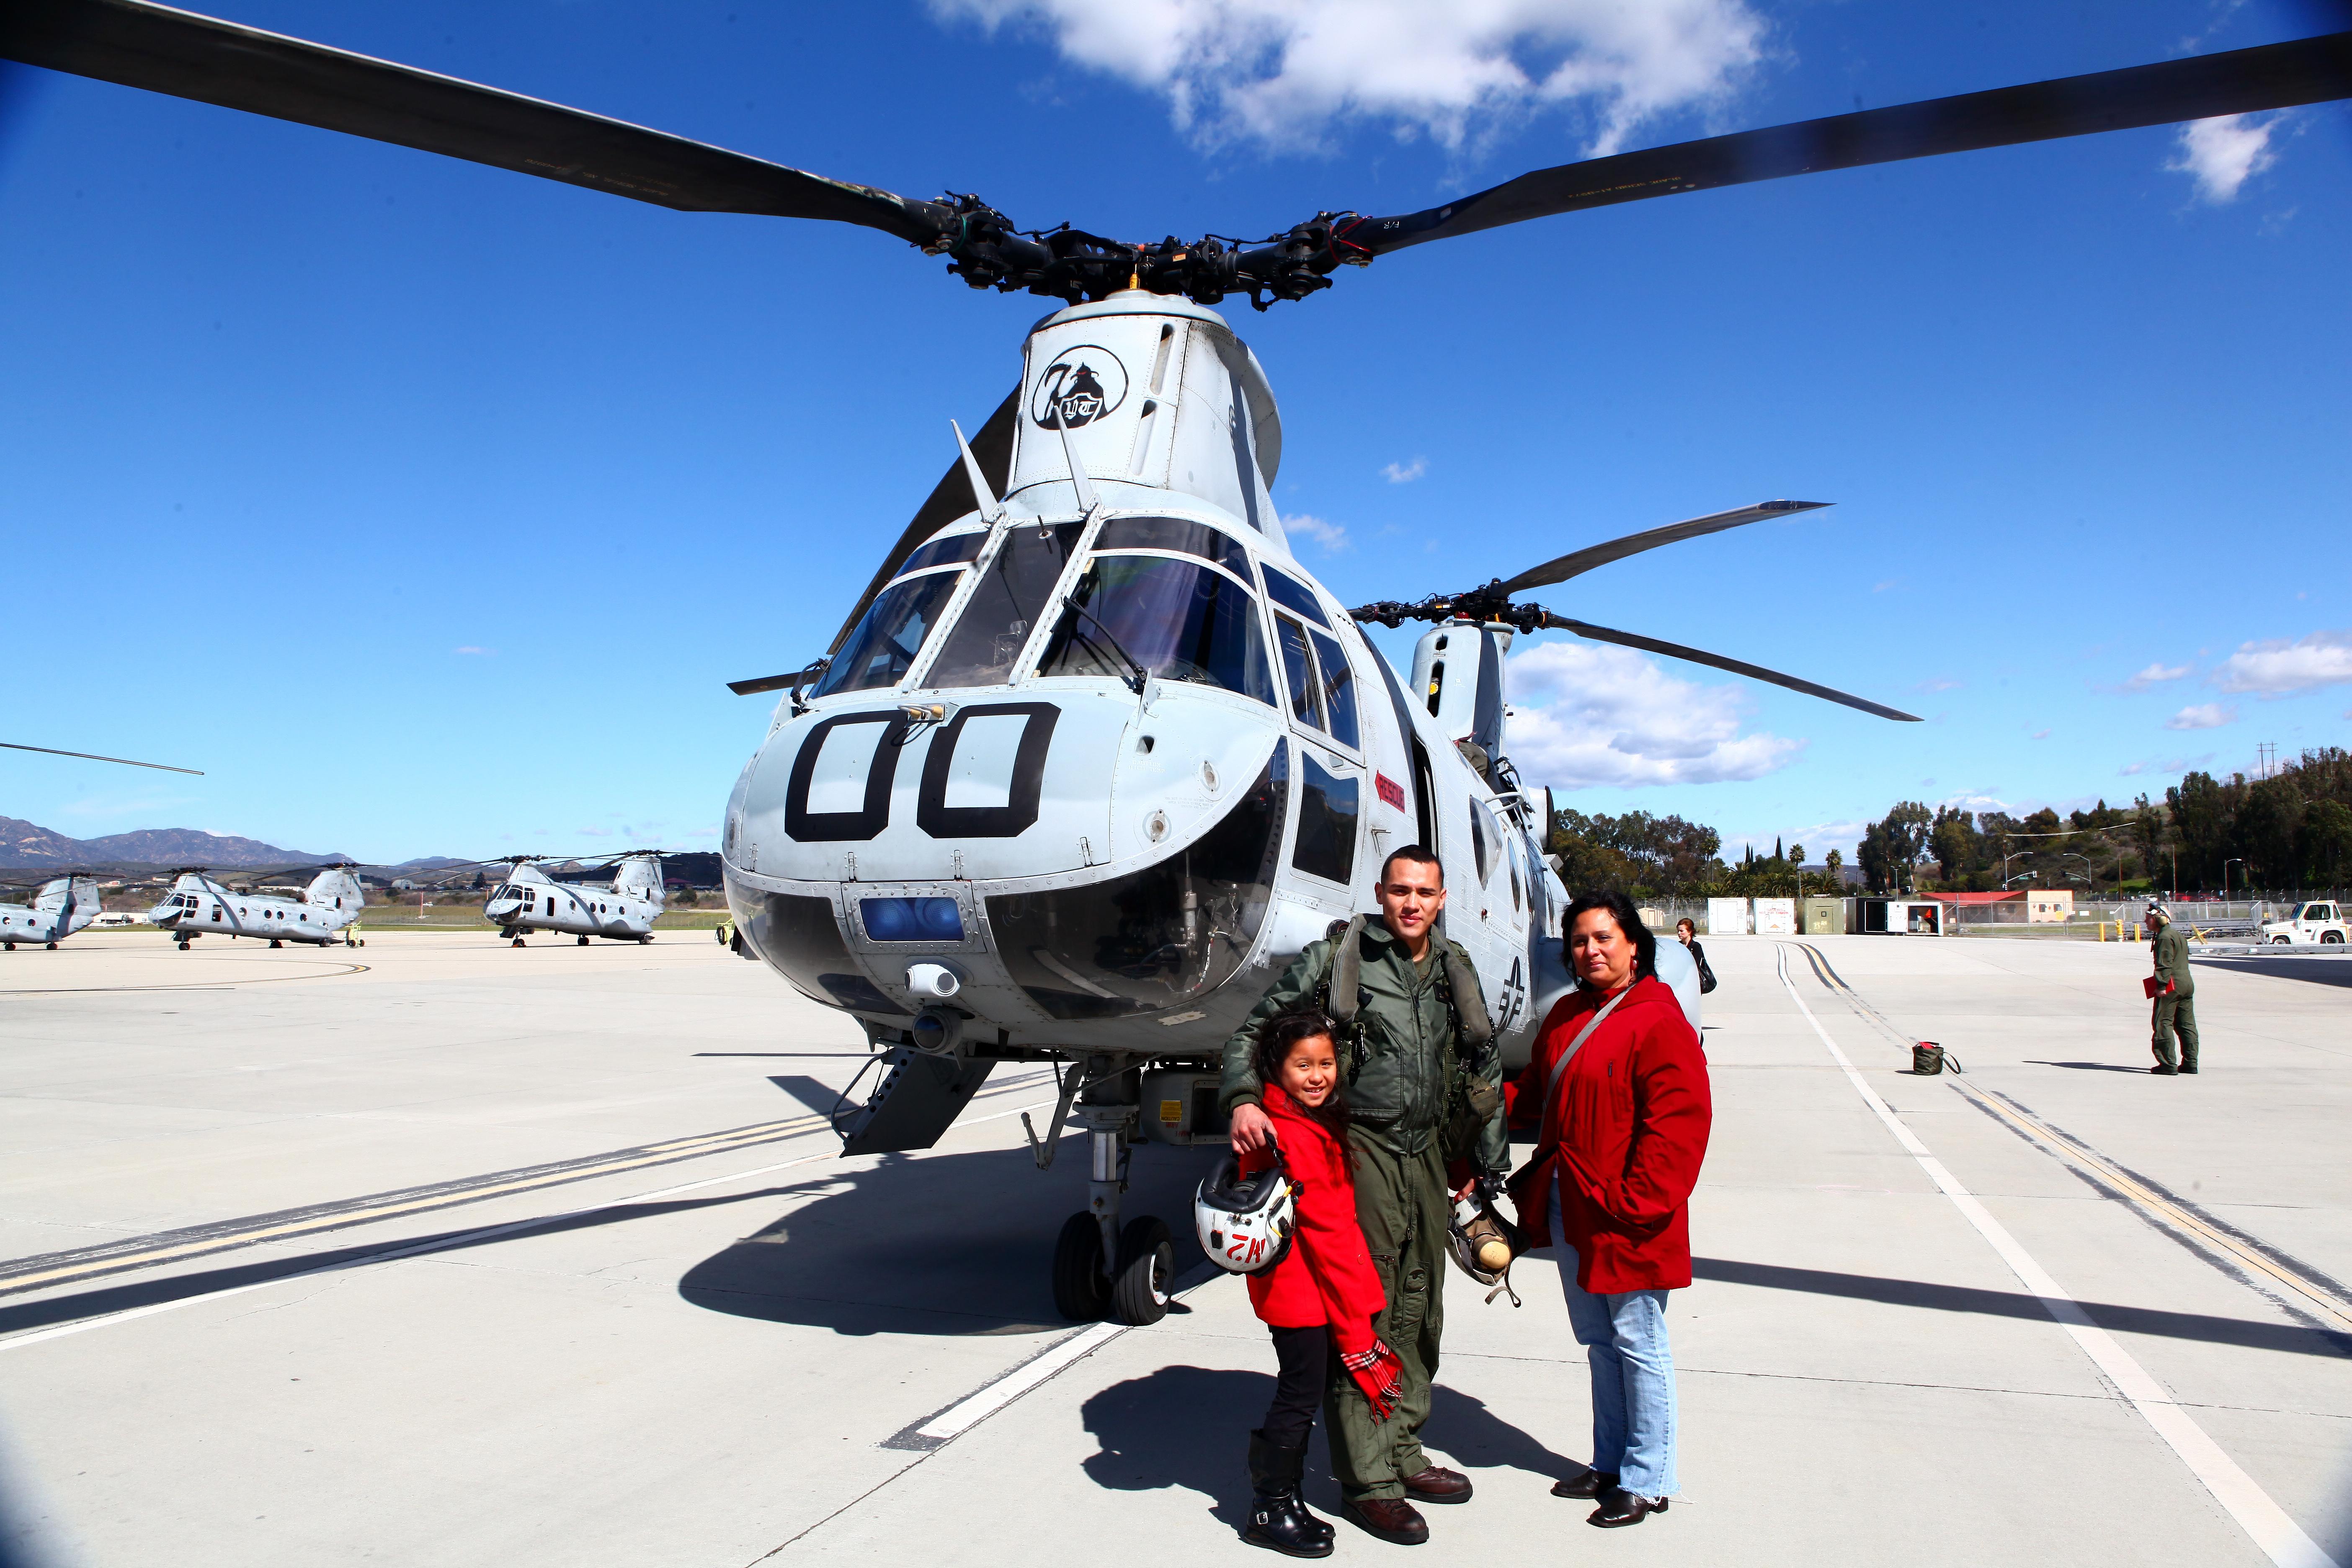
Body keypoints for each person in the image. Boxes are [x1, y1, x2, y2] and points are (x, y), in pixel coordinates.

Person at [1222, 844, 1505, 1547]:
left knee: (1421, 1306)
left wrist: (1488, 1164)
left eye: (1426, 892)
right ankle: (1368, 1478)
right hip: (1366, 1148)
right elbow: (1256, 1030)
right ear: (1381, 892)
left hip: (1431, 1152)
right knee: (1368, 1306)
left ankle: (1403, 1446)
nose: (1412, 903)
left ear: (1443, 899)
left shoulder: (1452, 966)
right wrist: (1239, 1097)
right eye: (1401, 890)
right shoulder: (1340, 957)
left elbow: (1482, 1059)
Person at [1507, 890, 1712, 1529]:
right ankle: (1610, 1464)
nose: (1590, 950)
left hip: (1628, 1215)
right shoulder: (1568, 1015)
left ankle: (1649, 1479)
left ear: (1634, 947)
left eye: (1604, 938)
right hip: (1573, 1204)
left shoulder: (1658, 1019)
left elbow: (1678, 1128)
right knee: (1600, 1342)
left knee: (1639, 1342)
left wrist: (1635, 1204)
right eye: (1579, 940)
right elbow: (1533, 1094)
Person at [1234, 1010, 1403, 1558]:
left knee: (1300, 1391)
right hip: (1301, 1293)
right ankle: (1270, 1506)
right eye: (1302, 1065)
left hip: (1295, 1287)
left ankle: (1285, 1499)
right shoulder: (1292, 1133)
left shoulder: (1290, 1119)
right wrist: (1360, 1312)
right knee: (1299, 1394)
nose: (1316, 1076)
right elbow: (1329, 1232)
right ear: (1276, 1069)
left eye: (1326, 1064)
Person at [2147, 902, 2199, 1075]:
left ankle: (2168, 1064)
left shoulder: (2164, 937)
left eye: (2149, 919)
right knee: (2186, 1024)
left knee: (2163, 1023)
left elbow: (2165, 963)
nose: (2146, 922)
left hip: (2171, 984)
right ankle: (2191, 1063)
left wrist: (2161, 985)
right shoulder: (2176, 934)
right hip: (2186, 983)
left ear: (2159, 920)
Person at [1674, 918, 1716, 994]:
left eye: (1682, 931)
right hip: (1679, 980)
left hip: (1693, 982)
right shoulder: (1677, 946)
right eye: (1678, 931)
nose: (1679, 933)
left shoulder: (1696, 946)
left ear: (1690, 932)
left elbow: (1695, 965)